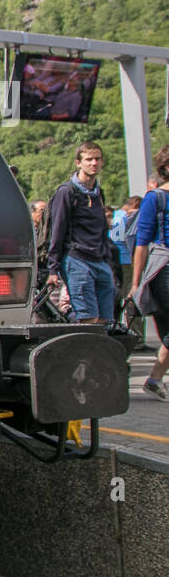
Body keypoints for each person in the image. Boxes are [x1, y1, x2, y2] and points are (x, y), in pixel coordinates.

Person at [46, 142, 118, 325]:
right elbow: (58, 231)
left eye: (98, 159)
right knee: (88, 318)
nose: (94, 163)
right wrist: (53, 268)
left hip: (100, 260)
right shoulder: (67, 192)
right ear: (78, 163)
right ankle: (88, 353)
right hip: (77, 259)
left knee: (104, 319)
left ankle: (99, 353)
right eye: (89, 159)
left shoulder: (98, 192)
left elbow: (103, 229)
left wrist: (108, 262)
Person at [130, 145, 169, 399]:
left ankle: (154, 379)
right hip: (164, 270)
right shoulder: (155, 198)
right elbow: (141, 243)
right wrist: (135, 284)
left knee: (167, 333)